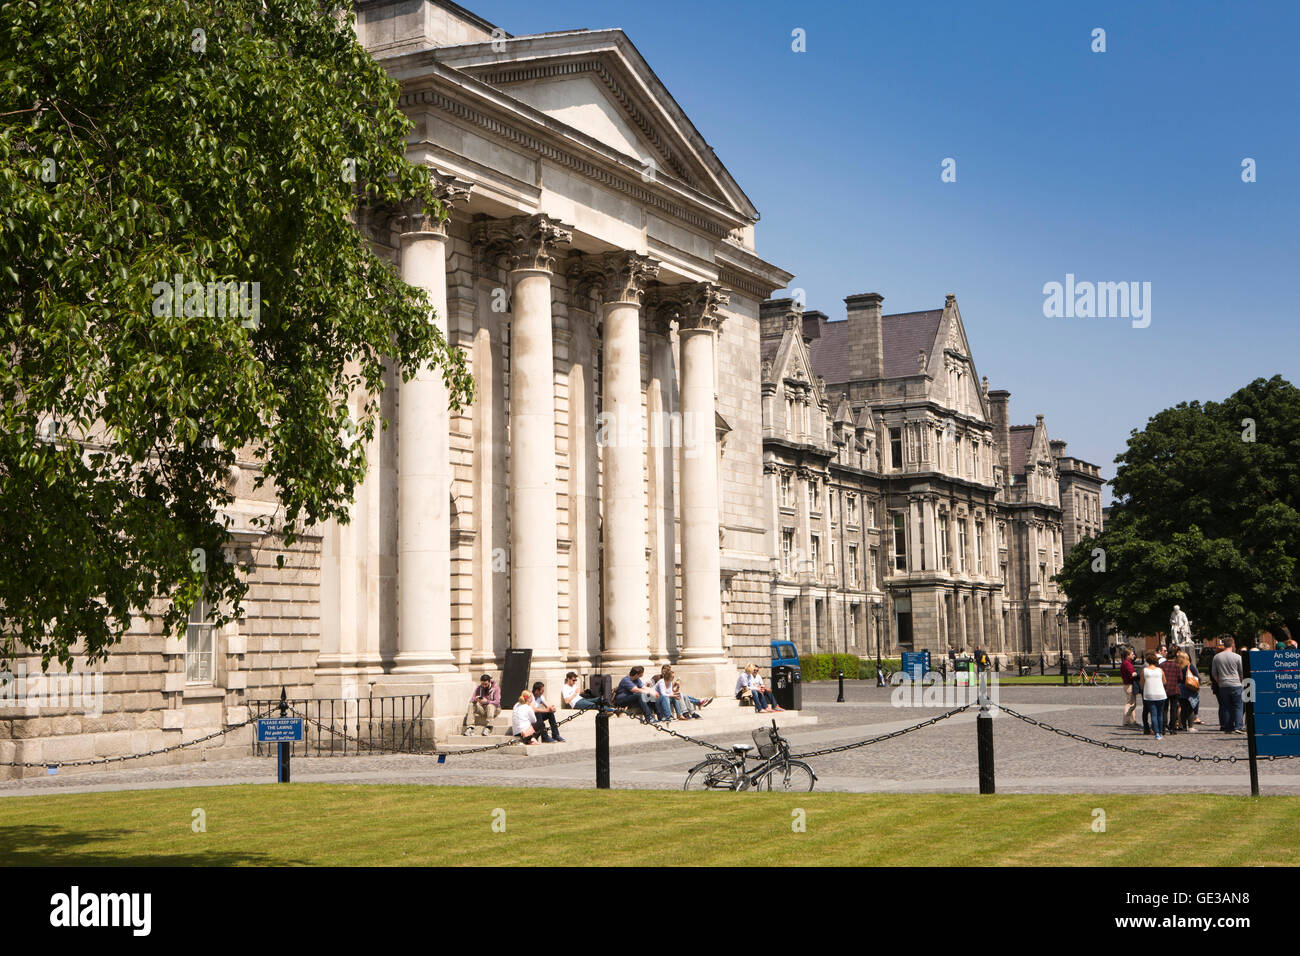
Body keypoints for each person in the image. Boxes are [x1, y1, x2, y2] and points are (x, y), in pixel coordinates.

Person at [1210, 638, 1245, 733]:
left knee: (1226, 706)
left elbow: (1214, 673)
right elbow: (1242, 672)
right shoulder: (1237, 657)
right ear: (1232, 645)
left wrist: (1219, 682)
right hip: (1236, 684)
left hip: (1223, 684)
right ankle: (1238, 726)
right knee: (1238, 706)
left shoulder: (1217, 657)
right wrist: (1241, 681)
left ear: (1224, 645)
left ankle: (1228, 727)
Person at [1140, 652, 1167, 740]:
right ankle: (1161, 730)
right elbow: (1164, 682)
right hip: (1160, 694)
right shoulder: (1160, 670)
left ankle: (1157, 733)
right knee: (1160, 714)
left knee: (1153, 714)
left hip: (1149, 694)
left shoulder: (1144, 670)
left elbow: (1142, 683)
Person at [1159, 652, 1183, 736]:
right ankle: (1173, 728)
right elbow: (1180, 678)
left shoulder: (1161, 665)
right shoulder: (1177, 666)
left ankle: (1163, 728)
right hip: (1174, 689)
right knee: (1174, 709)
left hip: (1164, 689)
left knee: (1164, 709)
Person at [1176, 650, 1199, 732]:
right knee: (1190, 708)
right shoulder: (1190, 666)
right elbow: (1197, 677)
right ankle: (1190, 726)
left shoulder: (1178, 667)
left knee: (1183, 708)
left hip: (1180, 689)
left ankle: (1183, 726)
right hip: (1189, 689)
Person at [1119, 647, 1138, 728]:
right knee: (1130, 703)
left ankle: (1132, 721)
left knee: (1132, 703)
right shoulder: (1127, 663)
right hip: (1129, 685)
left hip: (1127, 684)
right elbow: (1132, 674)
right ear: (1127, 655)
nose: (1134, 655)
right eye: (1132, 654)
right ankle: (1126, 721)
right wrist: (1138, 673)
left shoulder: (1126, 663)